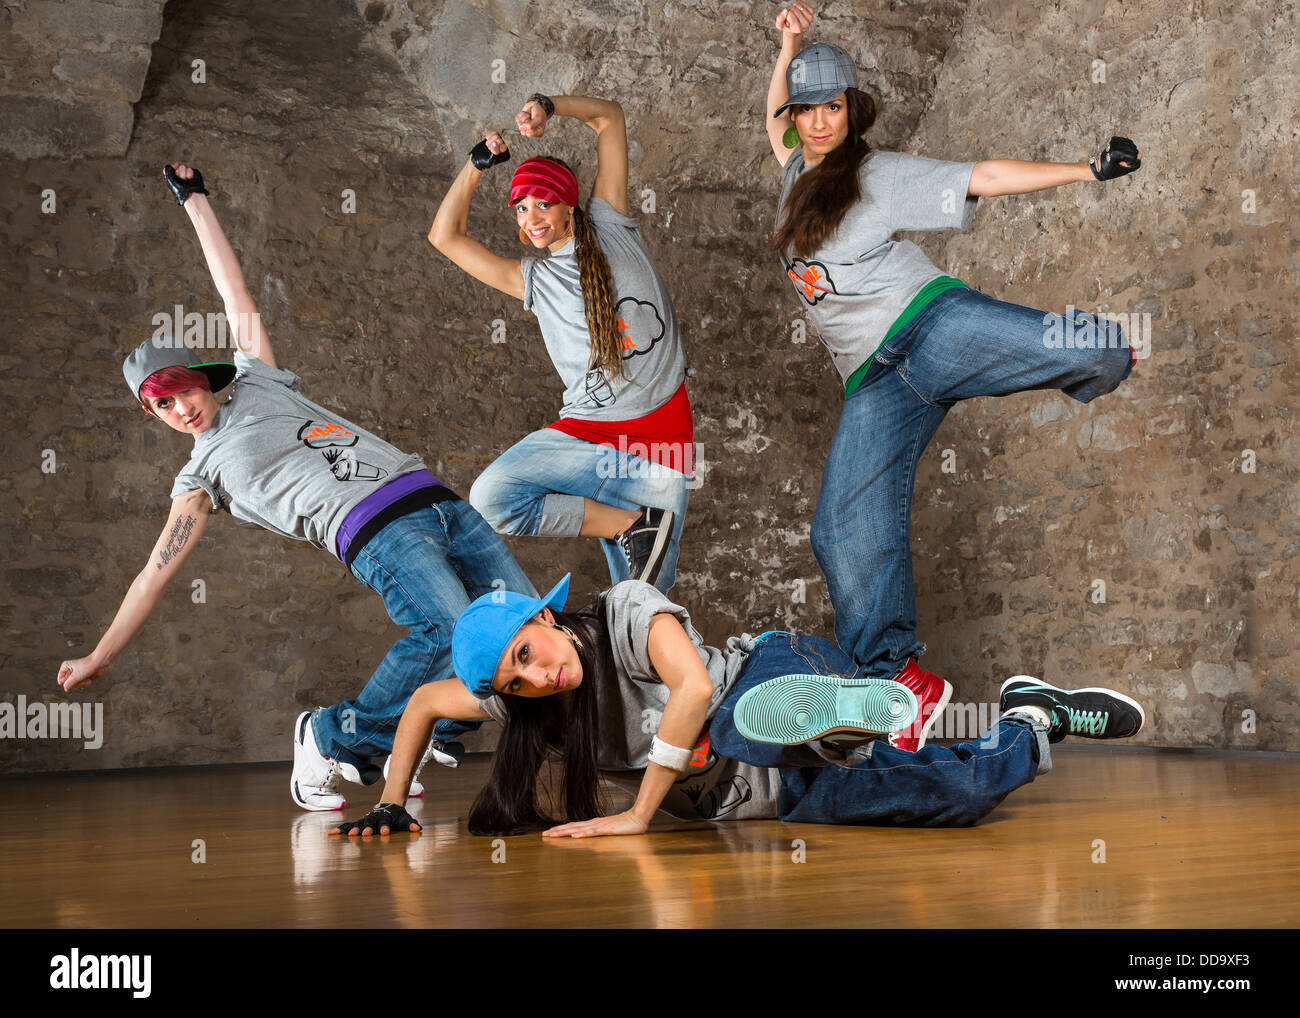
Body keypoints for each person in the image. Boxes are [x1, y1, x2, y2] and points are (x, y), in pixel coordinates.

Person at [55, 163, 538, 812]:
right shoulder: (201, 477)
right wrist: (98, 655)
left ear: (200, 377)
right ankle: (331, 736)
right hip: (379, 532)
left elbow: (234, 292)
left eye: (182, 392)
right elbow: (153, 574)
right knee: (448, 628)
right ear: (153, 414)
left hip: (436, 498)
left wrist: (195, 199)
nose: (180, 411)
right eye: (162, 408)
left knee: (529, 622)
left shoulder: (258, 380)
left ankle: (437, 728)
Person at [762, 5, 1143, 752]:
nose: (816, 123)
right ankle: (899, 684)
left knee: (1091, 348)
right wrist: (790, 45)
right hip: (875, 383)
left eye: (831, 108)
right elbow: (770, 111)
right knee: (838, 528)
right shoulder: (788, 173)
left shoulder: (878, 173)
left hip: (928, 329)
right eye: (805, 111)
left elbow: (985, 176)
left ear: (851, 110)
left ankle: (1109, 353)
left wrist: (1083, 169)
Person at [331, 575, 1144, 837]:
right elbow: (421, 708)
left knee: (729, 719)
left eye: (526, 654)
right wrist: (393, 804)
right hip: (771, 795)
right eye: (515, 683)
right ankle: (1032, 719)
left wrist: (638, 813)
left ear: (543, 619)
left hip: (771, 667)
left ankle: (833, 711)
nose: (535, 679)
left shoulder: (622, 612)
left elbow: (691, 687)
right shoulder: (525, 709)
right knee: (961, 796)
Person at [428, 92, 692, 594]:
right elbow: (446, 237)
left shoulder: (612, 224)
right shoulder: (533, 278)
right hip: (587, 438)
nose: (532, 216)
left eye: (543, 202)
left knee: (644, 608)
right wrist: (476, 165)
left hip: (659, 442)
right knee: (492, 496)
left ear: (569, 203)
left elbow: (609, 118)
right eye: (522, 208)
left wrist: (548, 107)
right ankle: (624, 524)